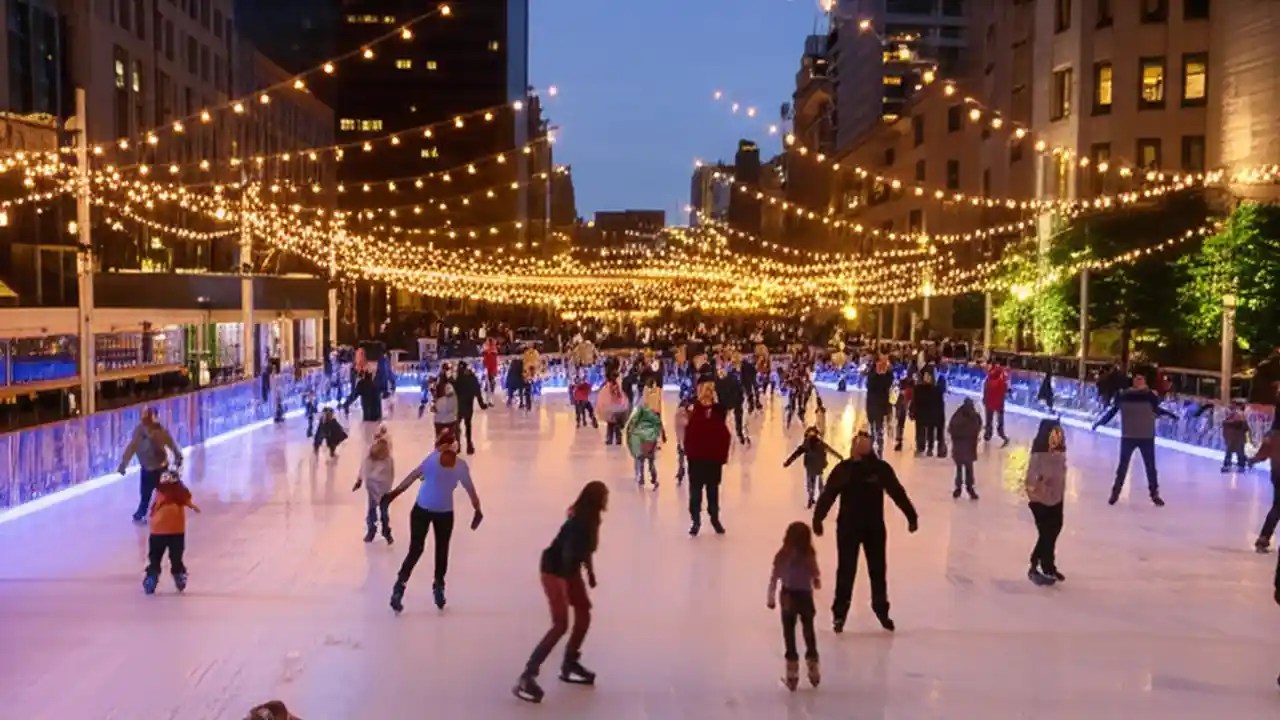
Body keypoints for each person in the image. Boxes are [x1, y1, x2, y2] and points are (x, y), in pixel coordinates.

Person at [514, 481, 609, 704]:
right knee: (560, 624)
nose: (606, 500)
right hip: (554, 570)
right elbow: (568, 550)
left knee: (584, 611)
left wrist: (590, 573)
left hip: (570, 570)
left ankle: (570, 661)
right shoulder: (579, 522)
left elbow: (585, 551)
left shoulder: (591, 518)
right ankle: (528, 675)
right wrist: (566, 582)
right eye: (604, 496)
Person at [812, 431, 918, 633]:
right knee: (846, 570)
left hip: (874, 528)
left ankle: (881, 609)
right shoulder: (844, 470)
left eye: (864, 444)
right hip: (848, 529)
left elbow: (897, 492)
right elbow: (828, 495)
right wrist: (818, 518)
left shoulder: (879, 469)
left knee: (877, 571)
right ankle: (840, 614)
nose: (859, 447)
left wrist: (911, 516)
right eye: (858, 444)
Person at [383, 429, 482, 612]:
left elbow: (413, 477)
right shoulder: (448, 463)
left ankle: (412, 586)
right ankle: (424, 586)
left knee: (427, 550)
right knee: (431, 550)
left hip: (430, 511)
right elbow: (470, 489)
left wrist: (394, 494)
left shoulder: (442, 462)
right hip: (434, 512)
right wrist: (477, 509)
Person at [1092, 374, 1177, 506]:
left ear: (1144, 382)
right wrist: (1100, 422)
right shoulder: (1124, 396)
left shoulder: (1150, 396)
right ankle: (1115, 493)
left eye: (1141, 379)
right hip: (1129, 436)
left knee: (1150, 467)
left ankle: (1154, 494)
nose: (1139, 381)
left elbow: (1157, 410)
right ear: (1133, 382)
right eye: (1137, 379)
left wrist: (1171, 415)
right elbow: (1113, 411)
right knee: (1123, 467)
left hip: (1146, 436)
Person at [767, 521, 822, 692]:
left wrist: (771, 596)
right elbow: (815, 571)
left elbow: (775, 577)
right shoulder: (809, 554)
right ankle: (812, 663)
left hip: (788, 595)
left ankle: (792, 668)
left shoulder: (782, 555)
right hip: (804, 596)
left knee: (789, 633)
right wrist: (815, 580)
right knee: (808, 630)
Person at [118, 407, 183, 524]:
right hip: (148, 469)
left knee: (164, 492)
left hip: (161, 467)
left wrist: (177, 456)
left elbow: (170, 442)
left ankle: (163, 512)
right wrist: (123, 464)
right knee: (146, 495)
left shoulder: (159, 430)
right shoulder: (139, 431)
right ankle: (141, 514)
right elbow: (131, 448)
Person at [683, 378, 731, 536]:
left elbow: (724, 434)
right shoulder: (693, 410)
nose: (707, 396)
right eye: (705, 392)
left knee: (712, 492)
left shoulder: (719, 411)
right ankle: (696, 520)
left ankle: (714, 518)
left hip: (712, 459)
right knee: (695, 494)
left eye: (711, 392)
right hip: (696, 459)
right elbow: (688, 433)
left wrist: (722, 456)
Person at [1025, 420, 1068, 586]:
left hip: (1057, 498)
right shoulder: (1039, 455)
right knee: (1047, 534)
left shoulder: (1059, 453)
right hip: (1041, 500)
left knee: (1053, 531)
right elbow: (1030, 479)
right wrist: (1040, 486)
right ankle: (1036, 564)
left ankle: (1048, 565)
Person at [143, 469, 200, 594]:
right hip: (176, 531)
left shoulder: (158, 492)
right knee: (176, 556)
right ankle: (178, 573)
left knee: (155, 557)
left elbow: (151, 509)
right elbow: (187, 499)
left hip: (158, 531)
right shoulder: (180, 492)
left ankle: (152, 575)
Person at [783, 426, 843, 509]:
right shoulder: (820, 443)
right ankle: (820, 499)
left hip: (811, 467)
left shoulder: (806, 444)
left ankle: (811, 497)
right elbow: (831, 450)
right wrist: (840, 457)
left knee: (811, 483)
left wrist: (788, 462)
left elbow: (796, 454)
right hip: (819, 467)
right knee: (819, 483)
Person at [353, 430, 395, 544]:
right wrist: (359, 480)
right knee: (379, 511)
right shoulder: (372, 458)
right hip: (376, 488)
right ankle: (378, 530)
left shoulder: (386, 460)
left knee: (378, 511)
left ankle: (381, 531)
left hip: (379, 488)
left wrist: (360, 481)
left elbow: (389, 474)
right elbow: (364, 469)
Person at [624, 387, 666, 489]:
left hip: (642, 439)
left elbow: (633, 424)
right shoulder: (655, 415)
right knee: (651, 462)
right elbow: (659, 425)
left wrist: (630, 433)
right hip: (651, 441)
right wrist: (663, 435)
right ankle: (654, 479)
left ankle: (642, 478)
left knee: (641, 460)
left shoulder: (641, 413)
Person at [1251, 427, 1280, 552]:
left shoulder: (1272, 435)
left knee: (1277, 507)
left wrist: (1252, 459)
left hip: (1277, 474)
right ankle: (1263, 540)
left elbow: (1262, 454)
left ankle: (1263, 539)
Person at [947, 398, 983, 500]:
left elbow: (951, 428)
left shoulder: (957, 416)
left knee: (961, 469)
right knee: (968, 469)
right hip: (968, 448)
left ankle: (959, 488)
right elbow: (978, 427)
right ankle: (968, 488)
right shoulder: (974, 416)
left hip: (961, 448)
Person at [453, 362, 489, 454]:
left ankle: (458, 445)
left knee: (457, 425)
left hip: (458, 406)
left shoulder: (457, 378)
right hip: (468, 405)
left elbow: (452, 392)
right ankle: (469, 445)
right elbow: (477, 391)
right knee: (467, 425)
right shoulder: (472, 377)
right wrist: (482, 404)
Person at [911, 370, 947, 457]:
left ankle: (927, 448)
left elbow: (940, 404)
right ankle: (923, 447)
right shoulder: (922, 389)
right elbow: (915, 401)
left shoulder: (922, 389)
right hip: (926, 414)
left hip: (929, 414)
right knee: (923, 430)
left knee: (927, 430)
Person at [864, 354, 894, 453]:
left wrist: (887, 373)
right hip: (872, 404)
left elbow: (889, 385)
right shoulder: (871, 374)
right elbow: (870, 385)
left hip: (881, 405)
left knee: (879, 427)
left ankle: (880, 448)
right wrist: (878, 374)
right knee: (872, 427)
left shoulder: (887, 375)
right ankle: (871, 448)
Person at [717, 364, 748, 445]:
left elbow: (739, 390)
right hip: (729, 403)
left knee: (737, 418)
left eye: (721, 371)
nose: (720, 373)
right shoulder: (721, 382)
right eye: (719, 371)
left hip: (732, 403)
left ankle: (739, 433)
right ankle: (738, 433)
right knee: (735, 418)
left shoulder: (729, 380)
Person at [982, 360, 1010, 445]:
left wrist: (984, 399)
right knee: (1000, 420)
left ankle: (988, 435)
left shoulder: (990, 376)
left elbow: (986, 389)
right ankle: (1001, 434)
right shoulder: (1003, 375)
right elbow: (1006, 389)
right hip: (999, 402)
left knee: (989, 419)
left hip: (989, 401)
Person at [596, 374, 628, 446]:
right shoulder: (615, 387)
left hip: (612, 407)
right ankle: (617, 439)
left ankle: (611, 439)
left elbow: (604, 396)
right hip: (616, 407)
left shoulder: (610, 387)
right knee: (615, 424)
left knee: (611, 424)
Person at [1221, 401, 1251, 473]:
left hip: (1237, 437)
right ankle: (1234, 464)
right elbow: (1225, 423)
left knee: (1238, 452)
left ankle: (1240, 464)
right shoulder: (1232, 416)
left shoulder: (1241, 416)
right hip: (1233, 437)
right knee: (1233, 451)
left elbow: (1246, 428)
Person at [430, 376, 459, 441]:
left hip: (439, 421)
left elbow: (434, 409)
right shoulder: (453, 397)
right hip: (450, 421)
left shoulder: (440, 399)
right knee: (450, 439)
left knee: (439, 439)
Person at [892, 373, 914, 452]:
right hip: (903, 408)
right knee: (900, 424)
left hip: (901, 408)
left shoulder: (902, 392)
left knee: (900, 424)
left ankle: (899, 439)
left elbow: (894, 401)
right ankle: (899, 439)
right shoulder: (909, 391)